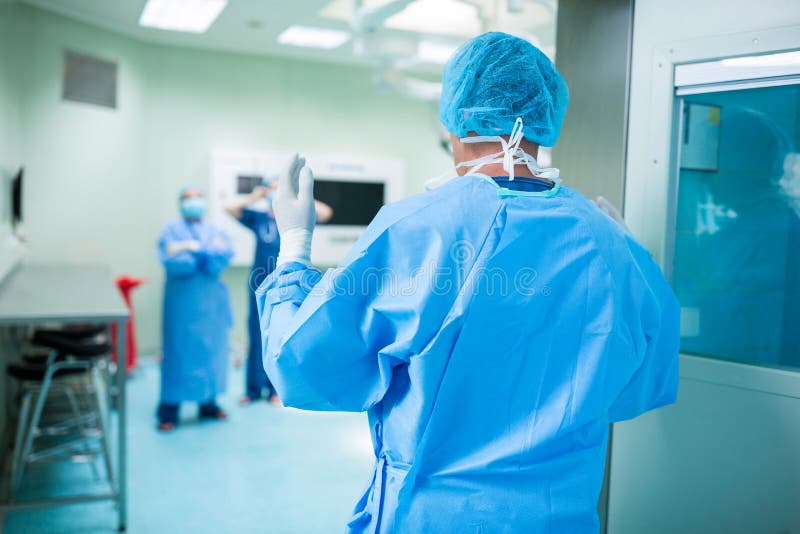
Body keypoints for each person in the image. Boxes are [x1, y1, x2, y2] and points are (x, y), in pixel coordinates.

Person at [256, 32, 680, 533]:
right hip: (558, 517)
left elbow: (305, 366)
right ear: (544, 123)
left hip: (435, 516)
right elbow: (641, 386)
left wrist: (294, 250)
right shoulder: (610, 243)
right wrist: (632, 259)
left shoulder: (420, 228)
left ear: (458, 122)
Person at [225, 179, 333, 405]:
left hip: (287, 285)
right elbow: (231, 209)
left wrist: (295, 195)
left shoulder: (295, 221)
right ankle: (253, 390)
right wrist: (257, 195)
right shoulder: (258, 218)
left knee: (282, 336)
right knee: (257, 336)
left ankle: (276, 389)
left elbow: (325, 212)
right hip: (259, 284)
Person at [156, 185, 234, 432]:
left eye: (197, 198)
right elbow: (172, 260)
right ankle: (169, 410)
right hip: (182, 305)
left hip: (211, 306)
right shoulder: (170, 230)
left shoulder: (215, 229)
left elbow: (222, 256)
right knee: (178, 354)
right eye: (188, 199)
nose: (194, 202)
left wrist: (194, 251)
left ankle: (208, 404)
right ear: (181, 203)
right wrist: (202, 255)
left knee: (211, 353)